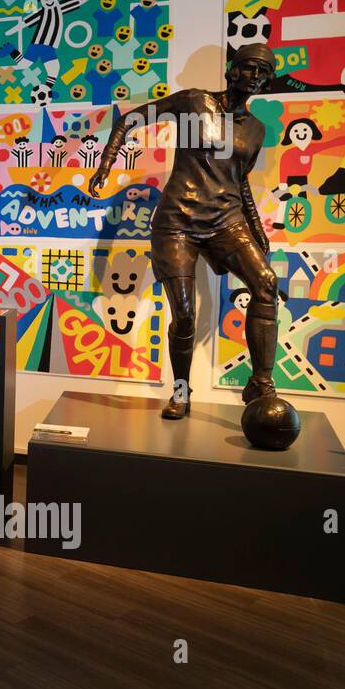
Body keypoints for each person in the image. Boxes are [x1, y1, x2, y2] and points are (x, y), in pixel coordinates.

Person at [90, 42, 280, 419]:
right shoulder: (195, 102)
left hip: (226, 220)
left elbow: (239, 182)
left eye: (263, 72)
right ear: (232, 69)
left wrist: (257, 232)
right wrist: (106, 163)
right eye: (249, 67)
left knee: (266, 283)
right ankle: (181, 391)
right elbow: (130, 119)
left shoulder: (256, 130)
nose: (254, 76)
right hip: (176, 222)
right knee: (187, 314)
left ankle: (261, 383)